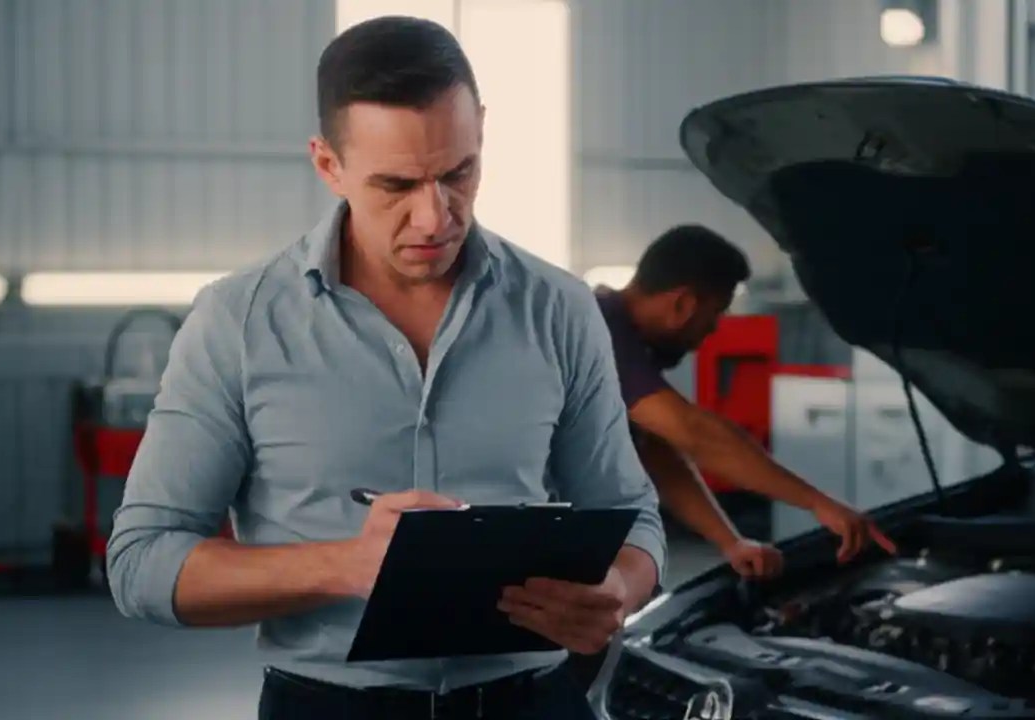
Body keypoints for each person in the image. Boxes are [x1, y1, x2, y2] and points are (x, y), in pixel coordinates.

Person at [106, 16, 665, 719]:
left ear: (482, 132)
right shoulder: (238, 322)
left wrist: (619, 585)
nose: (434, 217)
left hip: (536, 700)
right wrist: (345, 565)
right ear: (327, 164)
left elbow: (635, 516)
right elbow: (141, 564)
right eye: (396, 185)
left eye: (458, 173)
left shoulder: (560, 307)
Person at [595, 224, 897, 579]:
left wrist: (731, 542)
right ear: (683, 304)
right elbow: (695, 433)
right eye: (716, 313)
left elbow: (658, 455)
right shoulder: (597, 329)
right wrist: (817, 502)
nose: (712, 330)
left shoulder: (616, 335)